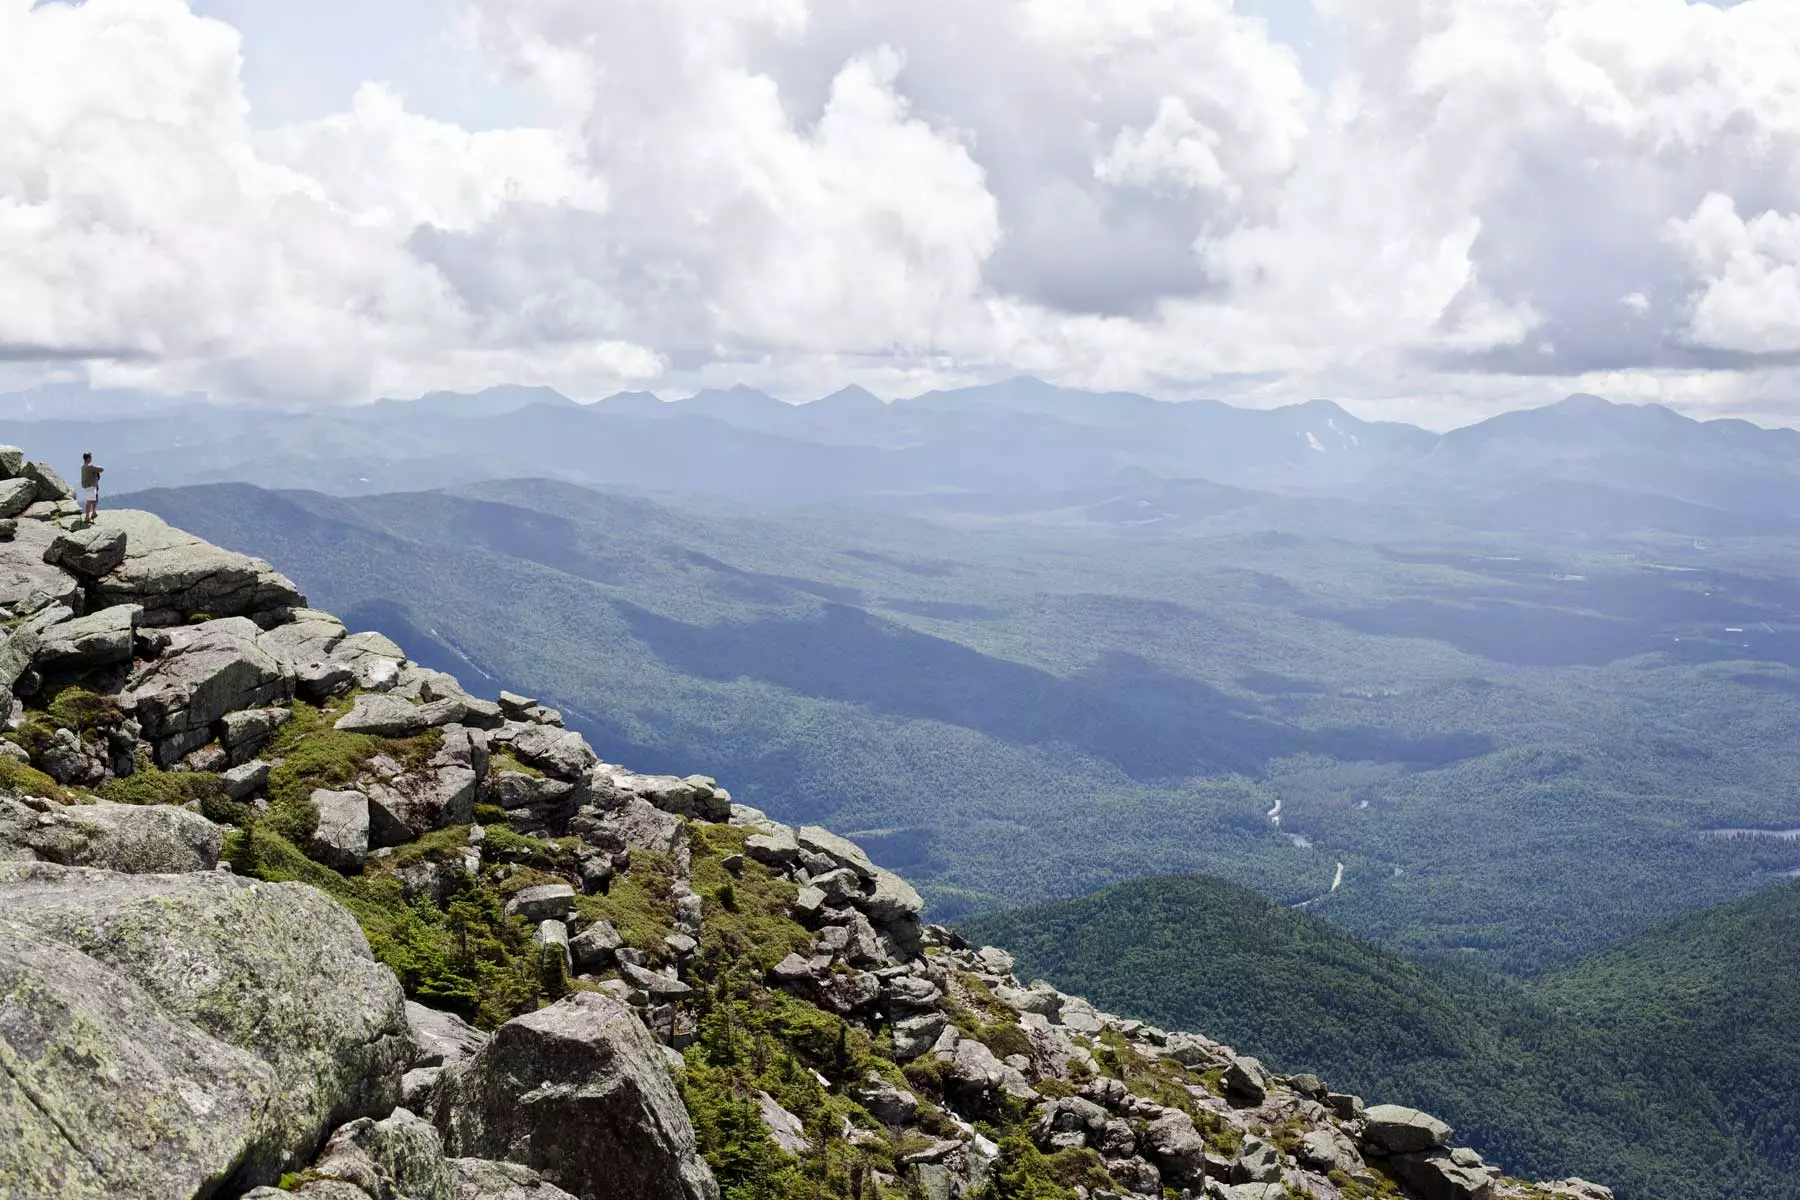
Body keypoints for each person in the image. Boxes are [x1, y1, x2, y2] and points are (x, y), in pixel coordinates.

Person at [80, 452, 102, 523]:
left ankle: (94, 512)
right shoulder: (90, 466)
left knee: (93, 500)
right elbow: (101, 469)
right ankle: (87, 517)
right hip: (90, 487)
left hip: (89, 486)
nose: (91, 458)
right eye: (91, 457)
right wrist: (95, 467)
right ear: (88, 458)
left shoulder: (83, 466)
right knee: (89, 501)